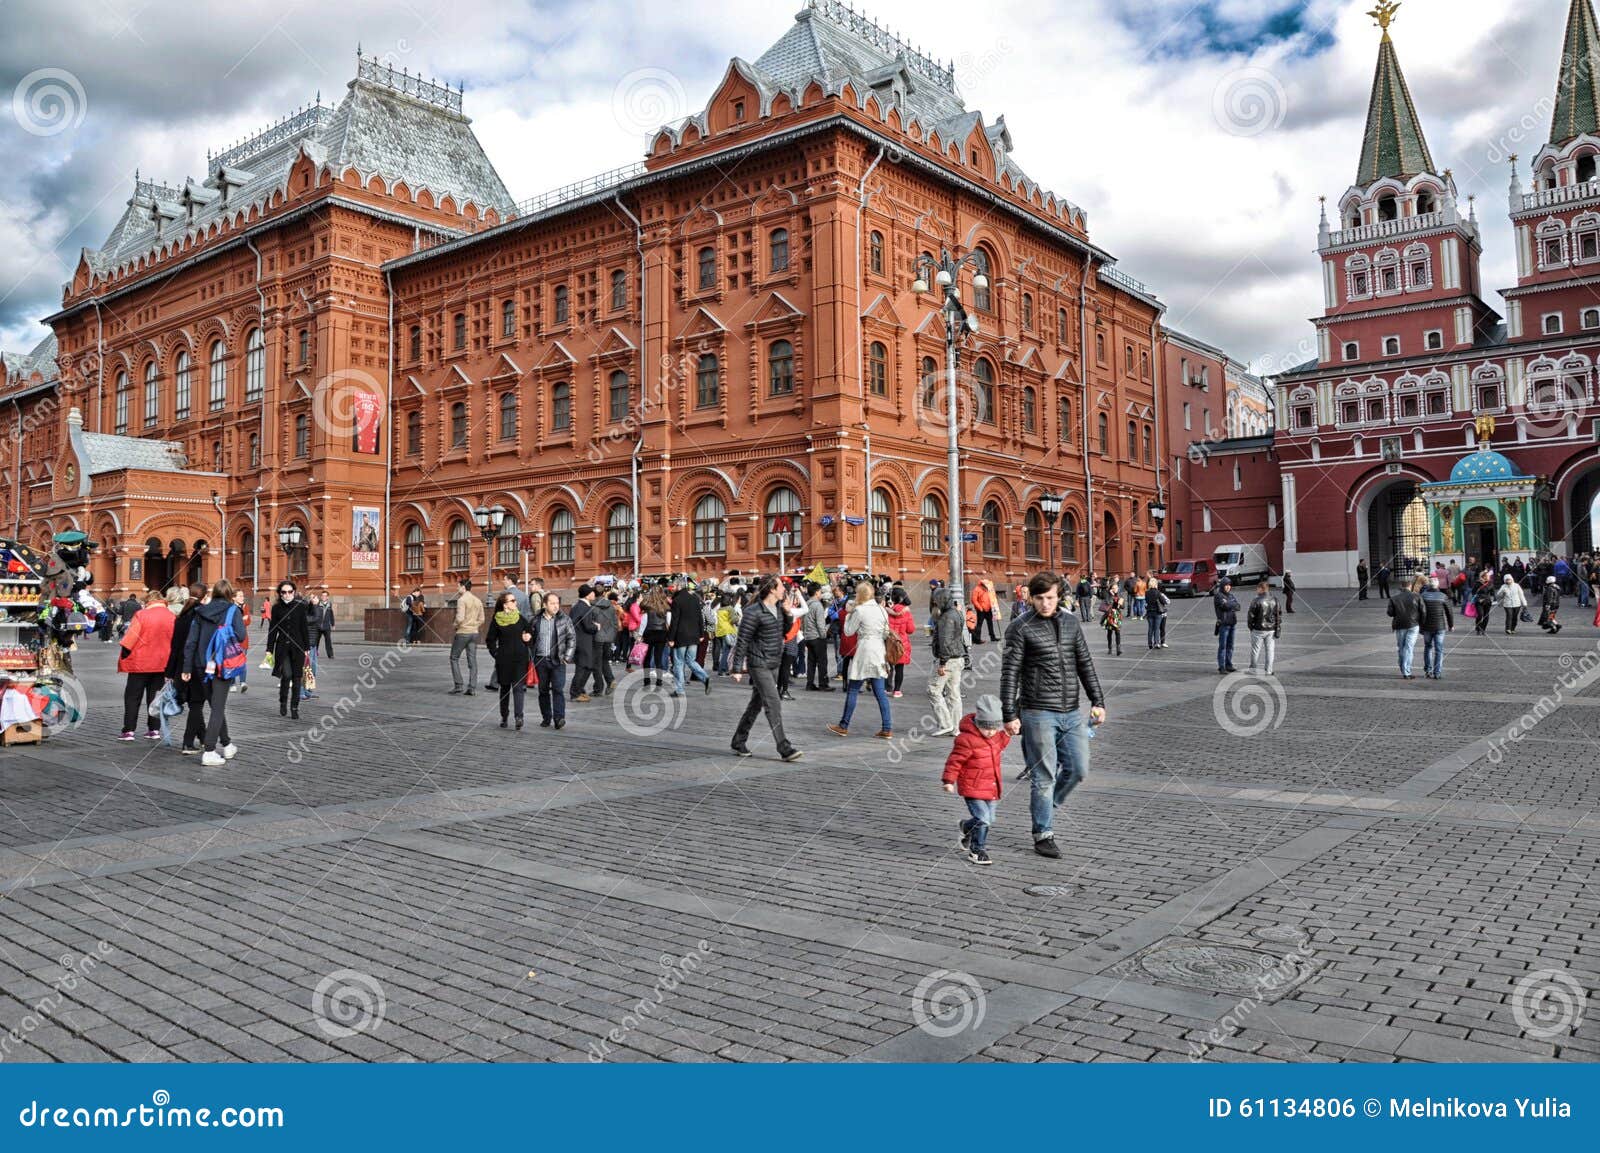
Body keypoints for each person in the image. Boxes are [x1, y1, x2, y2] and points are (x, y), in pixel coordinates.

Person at [1000, 572, 1106, 860]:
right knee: (1043, 778)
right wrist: (1009, 714)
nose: (1045, 603)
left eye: (1050, 598)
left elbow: (1084, 662)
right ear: (1031, 598)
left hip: (1071, 711)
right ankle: (1043, 833)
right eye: (1039, 598)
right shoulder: (1019, 628)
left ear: (1059, 596)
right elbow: (1009, 673)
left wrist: (1098, 700)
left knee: (1078, 769)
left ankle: (1046, 805)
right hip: (1037, 712)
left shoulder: (1071, 622)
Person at [730, 576, 802, 762]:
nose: (784, 590)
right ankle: (784, 747)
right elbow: (743, 640)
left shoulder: (778, 608)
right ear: (771, 590)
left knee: (756, 703)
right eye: (781, 587)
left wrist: (787, 613)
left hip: (774, 662)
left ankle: (738, 740)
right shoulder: (753, 611)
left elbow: (785, 631)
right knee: (773, 703)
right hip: (758, 662)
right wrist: (737, 667)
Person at [941, 695, 1010, 867]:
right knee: (983, 818)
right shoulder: (966, 740)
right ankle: (977, 850)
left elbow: (1001, 742)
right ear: (978, 724)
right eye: (987, 728)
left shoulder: (995, 737)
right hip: (972, 787)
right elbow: (954, 760)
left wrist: (1009, 732)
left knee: (988, 818)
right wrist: (948, 780)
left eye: (994, 728)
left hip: (991, 787)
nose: (991, 732)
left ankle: (966, 827)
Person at [181, 578, 243, 767]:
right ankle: (209, 751)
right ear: (230, 594)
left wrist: (187, 668)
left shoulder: (200, 612)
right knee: (217, 708)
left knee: (215, 704)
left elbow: (191, 641)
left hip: (201, 665)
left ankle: (227, 744)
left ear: (213, 593)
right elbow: (241, 636)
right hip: (222, 665)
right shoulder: (233, 611)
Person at [828, 581, 892, 738]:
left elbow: (849, 631)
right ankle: (887, 727)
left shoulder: (860, 610)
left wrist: (850, 614)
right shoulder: (882, 610)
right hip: (878, 650)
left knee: (854, 688)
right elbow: (886, 633)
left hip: (864, 650)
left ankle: (844, 725)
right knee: (879, 691)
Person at [117, 591, 174, 741]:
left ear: (149, 601)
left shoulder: (142, 615)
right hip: (162, 664)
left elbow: (131, 638)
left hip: (140, 663)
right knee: (155, 698)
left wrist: (124, 655)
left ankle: (129, 730)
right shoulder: (171, 616)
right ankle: (154, 729)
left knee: (132, 697)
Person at [166, 583, 208, 755]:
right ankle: (188, 743)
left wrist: (169, 672)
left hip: (180, 667)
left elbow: (174, 647)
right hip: (196, 666)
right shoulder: (203, 614)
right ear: (205, 596)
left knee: (194, 703)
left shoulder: (182, 615)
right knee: (197, 703)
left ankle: (204, 739)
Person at [485, 590, 534, 729]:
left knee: (518, 688)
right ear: (505, 605)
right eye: (512, 601)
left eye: (515, 600)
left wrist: (528, 637)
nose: (515, 602)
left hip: (520, 658)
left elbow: (530, 632)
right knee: (505, 688)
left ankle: (519, 717)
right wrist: (496, 654)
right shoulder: (496, 620)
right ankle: (504, 716)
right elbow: (490, 640)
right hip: (504, 660)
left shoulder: (520, 618)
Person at [266, 580, 312, 717]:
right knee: (286, 675)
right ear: (280, 594)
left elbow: (304, 628)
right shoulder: (276, 608)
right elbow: (272, 630)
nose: (287, 595)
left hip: (298, 647)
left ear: (294, 592)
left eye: (290, 592)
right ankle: (283, 702)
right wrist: (269, 649)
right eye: (284, 592)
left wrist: (307, 647)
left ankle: (294, 707)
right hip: (282, 648)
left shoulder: (300, 607)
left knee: (297, 678)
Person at [927, 587, 969, 738]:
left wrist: (942, 663)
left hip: (948, 659)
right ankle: (956, 727)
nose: (935, 604)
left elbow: (945, 641)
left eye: (936, 602)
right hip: (958, 658)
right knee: (953, 693)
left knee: (933, 689)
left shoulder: (945, 617)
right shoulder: (957, 613)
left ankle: (945, 723)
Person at [530, 591, 576, 729]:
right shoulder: (535, 620)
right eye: (552, 603)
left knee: (558, 689)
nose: (556, 606)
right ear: (545, 605)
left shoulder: (565, 619)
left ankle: (559, 718)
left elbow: (572, 638)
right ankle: (546, 717)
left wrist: (567, 657)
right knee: (543, 691)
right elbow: (529, 639)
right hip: (540, 660)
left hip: (558, 660)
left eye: (557, 603)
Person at [668, 580, 713, 698]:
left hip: (681, 636)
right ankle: (705, 677)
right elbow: (699, 617)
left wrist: (671, 638)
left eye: (674, 586)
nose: (673, 588)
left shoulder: (676, 601)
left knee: (678, 663)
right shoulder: (694, 598)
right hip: (694, 635)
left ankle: (680, 690)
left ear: (678, 586)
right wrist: (701, 633)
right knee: (691, 660)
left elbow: (674, 621)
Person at [449, 578, 484, 695]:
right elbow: (482, 619)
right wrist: (474, 625)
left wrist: (454, 625)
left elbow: (459, 618)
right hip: (474, 633)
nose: (457, 588)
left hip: (463, 632)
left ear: (463, 587)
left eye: (458, 586)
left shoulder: (461, 600)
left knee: (454, 657)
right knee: (472, 660)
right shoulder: (478, 600)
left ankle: (458, 685)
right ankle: (472, 687)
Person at [1387, 574, 1424, 679]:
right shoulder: (1417, 596)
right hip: (1413, 624)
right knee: (1409, 648)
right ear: (1410, 586)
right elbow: (1423, 611)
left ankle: (1403, 667)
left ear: (1401, 587)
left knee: (1401, 647)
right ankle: (1406, 671)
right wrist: (1421, 623)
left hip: (1400, 625)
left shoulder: (1394, 598)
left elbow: (1390, 613)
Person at [582, 592, 619, 696]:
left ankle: (598, 688)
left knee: (596, 663)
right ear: (603, 593)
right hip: (609, 637)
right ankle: (610, 680)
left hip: (597, 637)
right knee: (604, 660)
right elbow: (615, 623)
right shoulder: (611, 606)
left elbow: (589, 624)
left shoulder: (591, 606)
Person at [1420, 576, 1454, 679]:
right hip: (1439, 626)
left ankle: (1428, 670)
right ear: (1438, 585)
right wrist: (1451, 625)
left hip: (1426, 626)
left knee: (1427, 647)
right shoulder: (1443, 596)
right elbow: (1449, 612)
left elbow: (1419, 611)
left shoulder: (1423, 596)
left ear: (1428, 585)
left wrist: (1419, 624)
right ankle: (1437, 672)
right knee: (1439, 650)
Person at [1245, 579, 1281, 676]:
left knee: (1255, 650)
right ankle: (1268, 670)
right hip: (1271, 629)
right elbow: (1278, 615)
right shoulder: (1275, 600)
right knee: (1270, 651)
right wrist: (1277, 627)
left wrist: (1251, 627)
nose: (1256, 590)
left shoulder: (1256, 600)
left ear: (1261, 589)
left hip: (1258, 629)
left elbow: (1250, 616)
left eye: (1257, 588)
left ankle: (1253, 669)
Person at [640, 585, 672, 688]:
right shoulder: (665, 606)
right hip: (661, 633)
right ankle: (659, 681)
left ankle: (646, 681)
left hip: (649, 633)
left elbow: (644, 621)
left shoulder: (647, 605)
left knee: (647, 658)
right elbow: (668, 622)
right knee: (659, 657)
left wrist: (639, 635)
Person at [802, 584, 832, 691]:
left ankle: (810, 683)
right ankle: (823, 683)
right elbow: (820, 623)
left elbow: (802, 621)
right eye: (820, 592)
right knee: (822, 661)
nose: (821, 594)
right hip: (817, 637)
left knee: (811, 661)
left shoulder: (806, 604)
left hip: (808, 636)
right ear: (816, 593)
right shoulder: (817, 605)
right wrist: (824, 635)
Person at [886, 595, 915, 697]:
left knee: (888, 666)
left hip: (889, 642)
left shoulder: (887, 612)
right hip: (901, 643)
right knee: (899, 668)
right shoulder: (907, 613)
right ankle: (897, 690)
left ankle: (887, 687)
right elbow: (911, 630)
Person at [227, 590, 252, 694]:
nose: (243, 598)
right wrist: (242, 619)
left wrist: (241, 620)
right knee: (232, 662)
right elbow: (229, 623)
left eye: (243, 596)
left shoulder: (245, 607)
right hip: (232, 639)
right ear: (234, 598)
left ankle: (242, 683)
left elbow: (248, 621)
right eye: (240, 596)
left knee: (242, 662)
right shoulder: (229, 608)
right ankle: (232, 684)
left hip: (243, 639)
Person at [1213, 578, 1240, 674]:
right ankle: (1221, 666)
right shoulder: (1218, 596)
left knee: (1231, 646)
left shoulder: (1231, 595)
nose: (1228, 587)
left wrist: (1229, 604)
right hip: (1224, 624)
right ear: (1222, 586)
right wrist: (1231, 604)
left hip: (1232, 623)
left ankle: (1229, 664)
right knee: (1223, 646)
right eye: (1226, 585)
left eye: (1229, 585)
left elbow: (1238, 606)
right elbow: (1224, 606)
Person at [969, 578, 998, 644]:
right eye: (986, 584)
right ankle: (977, 639)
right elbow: (974, 600)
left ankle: (992, 637)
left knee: (990, 623)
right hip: (981, 610)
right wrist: (980, 608)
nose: (987, 585)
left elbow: (992, 597)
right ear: (982, 584)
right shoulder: (977, 589)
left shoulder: (988, 588)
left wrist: (993, 605)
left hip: (989, 608)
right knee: (979, 624)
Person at [1099, 587, 1124, 656]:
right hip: (1109, 615)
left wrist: (1120, 603)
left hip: (1117, 615)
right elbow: (1107, 602)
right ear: (1111, 588)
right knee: (1109, 632)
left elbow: (1123, 606)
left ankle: (1118, 649)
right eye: (1114, 588)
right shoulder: (1107, 594)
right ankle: (1109, 648)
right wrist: (1112, 596)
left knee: (1117, 631)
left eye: (1116, 588)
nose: (1116, 589)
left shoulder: (1119, 595)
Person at [1144, 580, 1168, 650]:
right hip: (1157, 612)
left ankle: (1149, 643)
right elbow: (1164, 601)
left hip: (1149, 612)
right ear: (1155, 584)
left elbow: (1146, 601)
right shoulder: (1158, 592)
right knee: (1156, 628)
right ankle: (1156, 643)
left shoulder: (1147, 592)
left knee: (1150, 628)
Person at [318, 592, 336, 658]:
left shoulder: (329, 605)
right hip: (318, 626)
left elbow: (331, 615)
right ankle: (314, 653)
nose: (323, 597)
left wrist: (333, 624)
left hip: (326, 626)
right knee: (316, 641)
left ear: (327, 597)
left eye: (325, 596)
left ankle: (330, 654)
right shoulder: (317, 604)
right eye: (322, 596)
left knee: (328, 641)